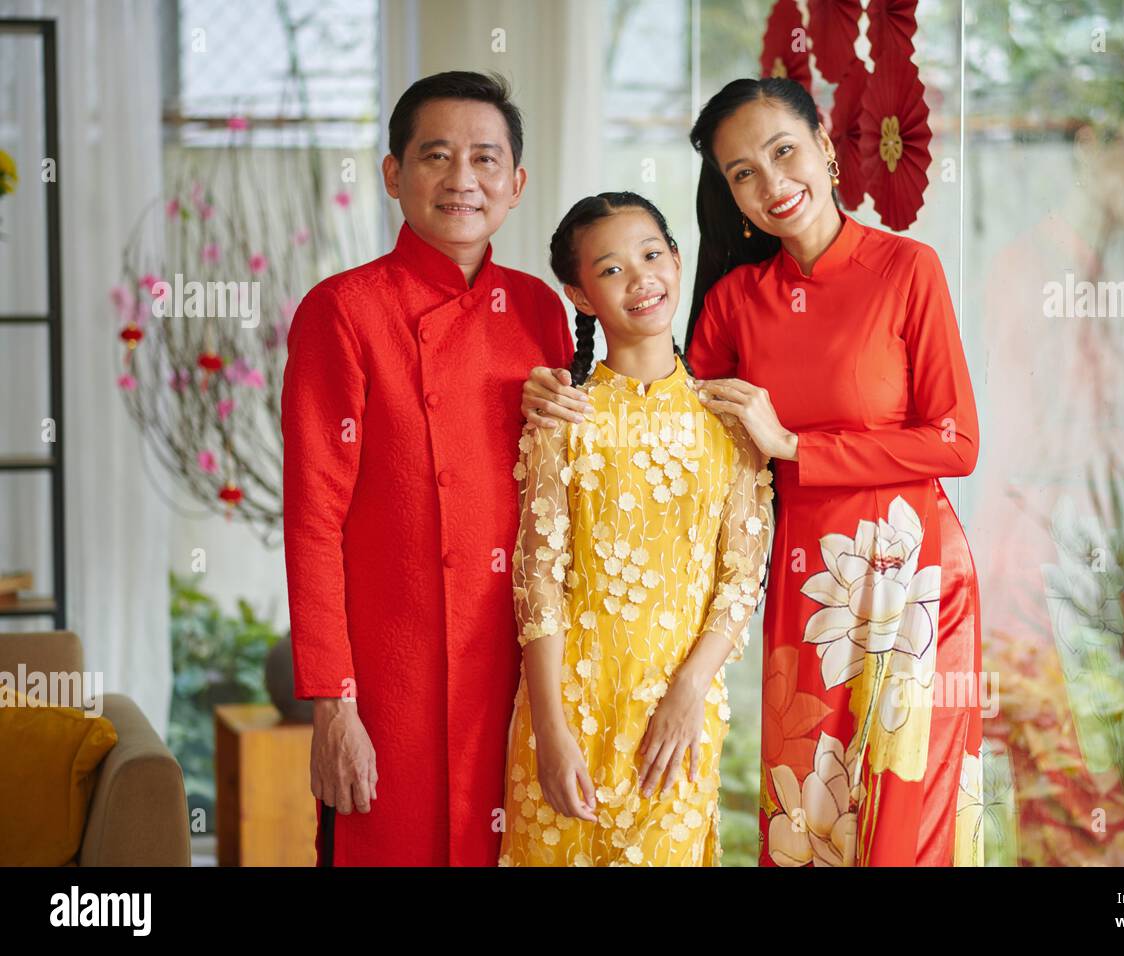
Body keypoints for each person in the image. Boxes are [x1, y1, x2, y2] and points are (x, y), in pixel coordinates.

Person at [521, 78, 984, 866]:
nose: (772, 184)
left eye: (783, 152)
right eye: (743, 173)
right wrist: (555, 389)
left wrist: (796, 445)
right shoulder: (735, 300)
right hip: (803, 582)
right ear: (730, 195)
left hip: (912, 575)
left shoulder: (908, 268)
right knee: (808, 820)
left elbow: (956, 443)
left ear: (825, 147)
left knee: (906, 828)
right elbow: (671, 418)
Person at [282, 71, 574, 866]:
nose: (461, 180)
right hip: (391, 679)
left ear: (516, 184)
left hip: (517, 672)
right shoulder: (342, 311)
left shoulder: (541, 310)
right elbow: (312, 520)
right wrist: (333, 704)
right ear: (393, 173)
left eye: (485, 159)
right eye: (436, 156)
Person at [499, 193, 774, 865]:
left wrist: (690, 691)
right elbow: (538, 582)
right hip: (567, 715)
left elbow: (741, 580)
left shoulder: (732, 422)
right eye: (611, 269)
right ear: (580, 295)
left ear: (677, 260)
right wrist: (549, 729)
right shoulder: (563, 418)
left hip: (679, 724)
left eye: (652, 254)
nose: (641, 278)